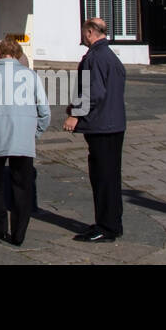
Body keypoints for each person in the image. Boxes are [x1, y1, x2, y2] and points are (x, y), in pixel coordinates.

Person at [0, 35, 50, 245]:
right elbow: (45, 112)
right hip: (23, 136)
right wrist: (35, 133)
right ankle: (19, 234)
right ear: (17, 54)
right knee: (22, 185)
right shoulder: (31, 76)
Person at [65, 17, 127, 242]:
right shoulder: (111, 57)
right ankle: (112, 223)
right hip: (114, 124)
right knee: (111, 177)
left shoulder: (95, 57)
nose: (82, 37)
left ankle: (106, 227)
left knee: (102, 178)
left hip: (102, 127)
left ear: (90, 32)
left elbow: (95, 93)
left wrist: (75, 115)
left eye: (84, 32)